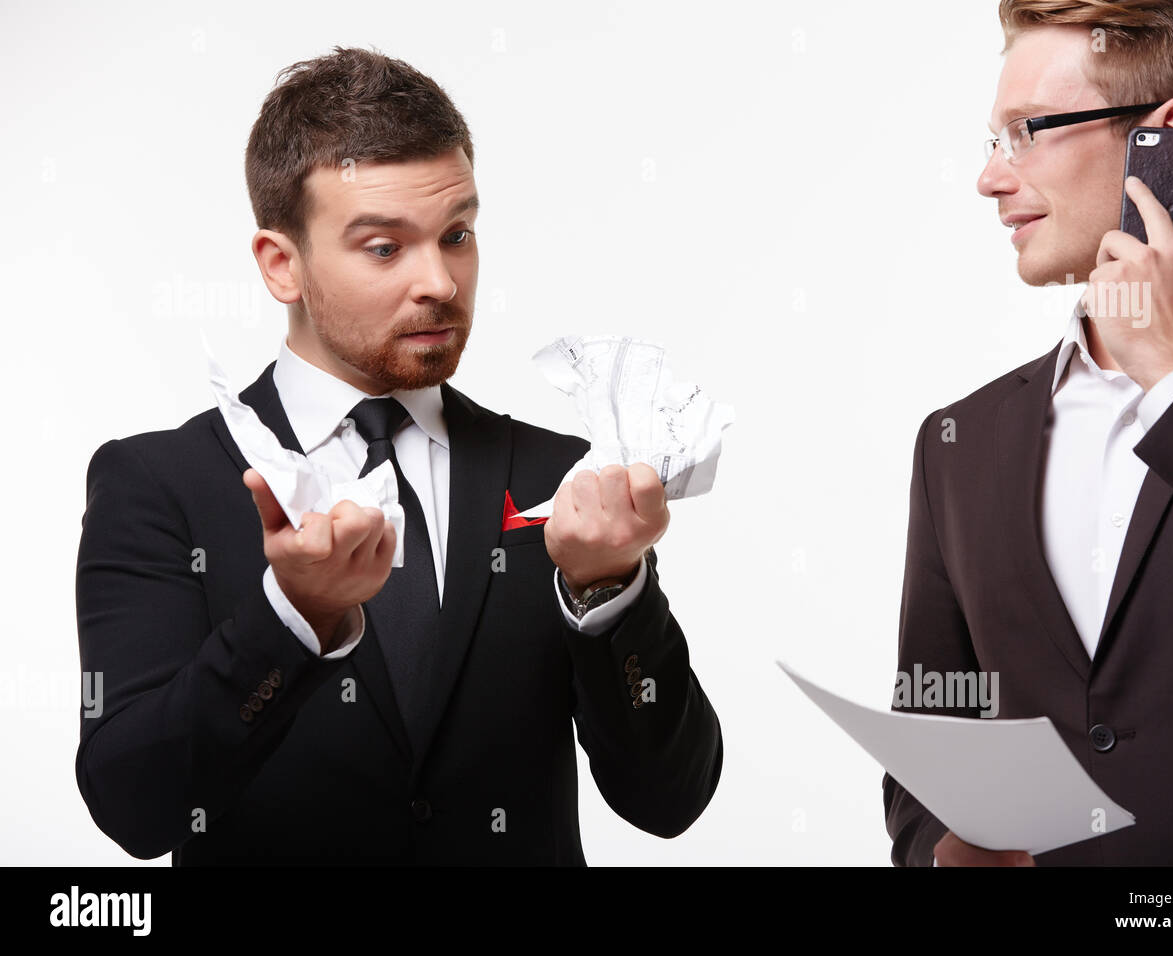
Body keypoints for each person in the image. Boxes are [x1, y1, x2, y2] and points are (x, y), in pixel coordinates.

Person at [75, 45, 722, 865]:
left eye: (457, 235)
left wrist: (610, 593)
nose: (442, 282)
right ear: (283, 264)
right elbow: (135, 806)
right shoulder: (159, 487)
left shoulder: (560, 477)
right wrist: (294, 620)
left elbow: (672, 801)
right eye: (385, 248)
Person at [885, 0, 1173, 865]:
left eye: (1026, 130)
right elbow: (934, 725)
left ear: (1169, 138)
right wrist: (938, 849)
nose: (991, 179)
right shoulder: (959, 443)